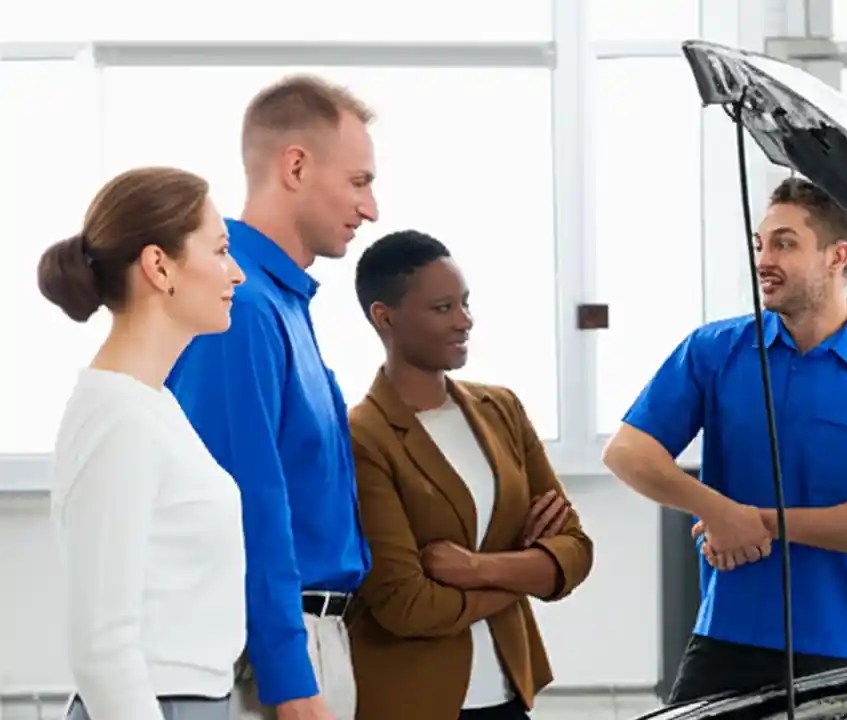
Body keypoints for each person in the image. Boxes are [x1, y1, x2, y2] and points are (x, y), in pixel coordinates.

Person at [603, 177, 847, 703]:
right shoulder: (714, 351)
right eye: (759, 244)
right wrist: (716, 511)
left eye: (785, 244)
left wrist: (759, 522)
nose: (764, 259)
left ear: (837, 256)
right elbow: (628, 451)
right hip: (727, 633)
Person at [165, 74, 379, 720]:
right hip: (275, 659)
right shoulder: (243, 306)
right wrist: (289, 681)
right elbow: (245, 504)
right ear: (295, 166)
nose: (371, 209)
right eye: (360, 182)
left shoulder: (283, 302)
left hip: (316, 640)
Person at [344, 230, 594, 720]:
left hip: (507, 693)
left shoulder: (500, 408)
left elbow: (576, 548)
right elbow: (406, 604)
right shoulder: (363, 436)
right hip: (413, 701)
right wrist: (529, 570)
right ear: (384, 317)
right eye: (442, 308)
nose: (465, 321)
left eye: (465, 303)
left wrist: (479, 568)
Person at [38, 166, 246, 720]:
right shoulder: (118, 416)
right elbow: (101, 646)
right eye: (221, 250)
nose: (237, 273)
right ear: (159, 266)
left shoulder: (152, 406)